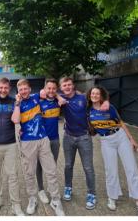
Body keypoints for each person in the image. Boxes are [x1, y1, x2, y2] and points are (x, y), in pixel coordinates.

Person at [87, 86, 138, 215]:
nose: (95, 95)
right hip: (105, 140)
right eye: (92, 93)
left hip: (120, 137)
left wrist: (131, 139)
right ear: (89, 95)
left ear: (101, 96)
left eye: (97, 93)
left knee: (131, 168)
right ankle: (112, 197)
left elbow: (121, 123)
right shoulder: (88, 111)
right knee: (110, 170)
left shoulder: (109, 107)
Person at [11, 79, 65, 215]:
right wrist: (17, 103)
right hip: (27, 142)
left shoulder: (36, 97)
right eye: (21, 89)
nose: (23, 91)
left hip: (43, 139)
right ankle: (32, 198)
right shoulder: (17, 103)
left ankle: (55, 199)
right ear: (18, 91)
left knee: (51, 170)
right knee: (29, 173)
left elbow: (50, 91)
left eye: (25, 88)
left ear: (30, 89)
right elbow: (16, 120)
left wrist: (58, 97)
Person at [55, 77, 97, 209]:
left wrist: (106, 102)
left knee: (88, 167)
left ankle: (91, 193)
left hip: (84, 137)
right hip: (68, 137)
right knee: (68, 165)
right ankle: (68, 187)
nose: (67, 87)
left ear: (73, 85)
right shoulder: (61, 97)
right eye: (64, 85)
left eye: (69, 84)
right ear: (61, 88)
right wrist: (58, 96)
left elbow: (98, 99)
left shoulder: (83, 98)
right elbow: (45, 92)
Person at [0, 77, 23, 215]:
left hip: (10, 144)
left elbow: (19, 119)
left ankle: (16, 204)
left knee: (13, 175)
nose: (3, 90)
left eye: (5, 87)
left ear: (9, 88)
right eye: (0, 87)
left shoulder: (14, 101)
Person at [35, 79, 61, 205]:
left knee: (52, 166)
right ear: (44, 89)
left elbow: (74, 94)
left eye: (53, 88)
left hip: (55, 139)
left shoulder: (59, 101)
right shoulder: (39, 101)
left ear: (56, 90)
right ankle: (40, 190)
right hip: (41, 139)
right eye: (48, 88)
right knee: (39, 166)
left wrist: (59, 96)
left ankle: (52, 188)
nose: (51, 90)